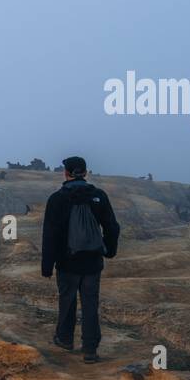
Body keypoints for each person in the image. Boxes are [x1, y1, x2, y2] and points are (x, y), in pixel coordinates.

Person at [41, 156, 121, 363]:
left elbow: (50, 235)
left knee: (67, 301)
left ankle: (65, 339)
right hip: (93, 261)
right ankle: (90, 350)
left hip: (67, 262)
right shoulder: (99, 196)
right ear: (86, 173)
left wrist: (47, 266)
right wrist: (109, 250)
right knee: (90, 304)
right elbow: (112, 227)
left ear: (65, 173)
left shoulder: (57, 199)